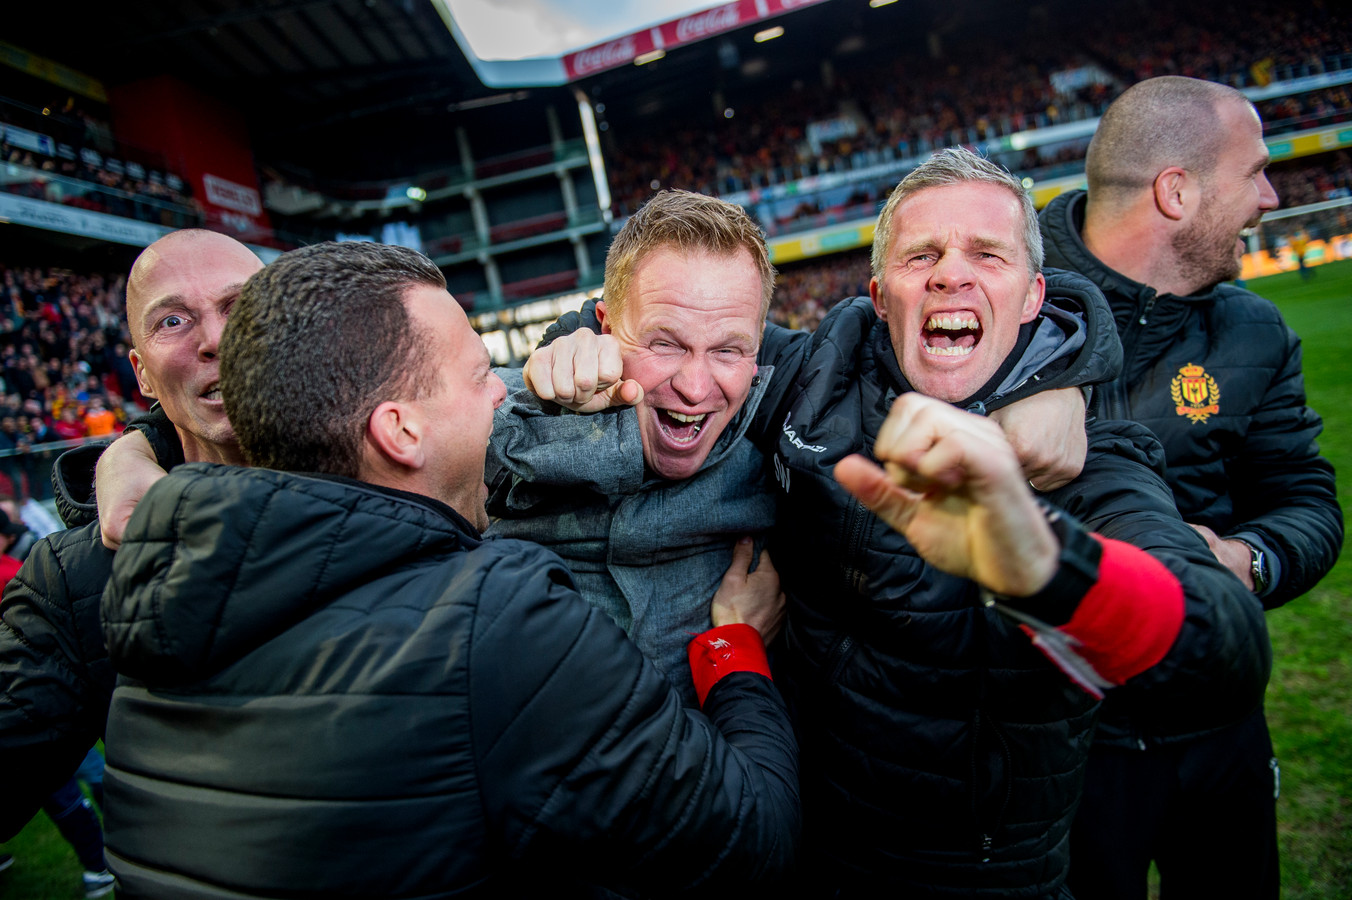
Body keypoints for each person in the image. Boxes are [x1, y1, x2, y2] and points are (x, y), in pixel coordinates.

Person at [534, 149, 1270, 898]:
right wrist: (577, 343)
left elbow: (1223, 656)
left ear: (1033, 298)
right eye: (924, 255)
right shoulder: (811, 381)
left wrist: (1047, 567)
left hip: (982, 885)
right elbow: (681, 323)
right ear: (881, 296)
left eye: (988, 254)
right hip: (803, 856)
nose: (952, 273)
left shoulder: (1083, 468)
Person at [99, 241, 799, 899]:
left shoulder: (155, 596)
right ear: (400, 431)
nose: (503, 393)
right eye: (476, 376)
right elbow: (752, 838)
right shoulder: (499, 621)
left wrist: (131, 445)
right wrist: (734, 647)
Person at [1039, 76, 1343, 900]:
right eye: (1256, 173)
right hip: (1054, 749)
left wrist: (1246, 559)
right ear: (1177, 191)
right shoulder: (1003, 308)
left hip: (1219, 727)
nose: (1270, 199)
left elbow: (1308, 501)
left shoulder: (1254, 331)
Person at [0, 229, 260, 842]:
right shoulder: (75, 577)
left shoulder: (397, 471)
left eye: (239, 306)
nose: (216, 339)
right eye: (173, 320)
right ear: (140, 372)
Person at [487, 190, 782, 705]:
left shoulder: (786, 448)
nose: (694, 386)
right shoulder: (500, 421)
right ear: (604, 327)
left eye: (728, 350)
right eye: (665, 343)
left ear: (758, 351)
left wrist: (737, 648)